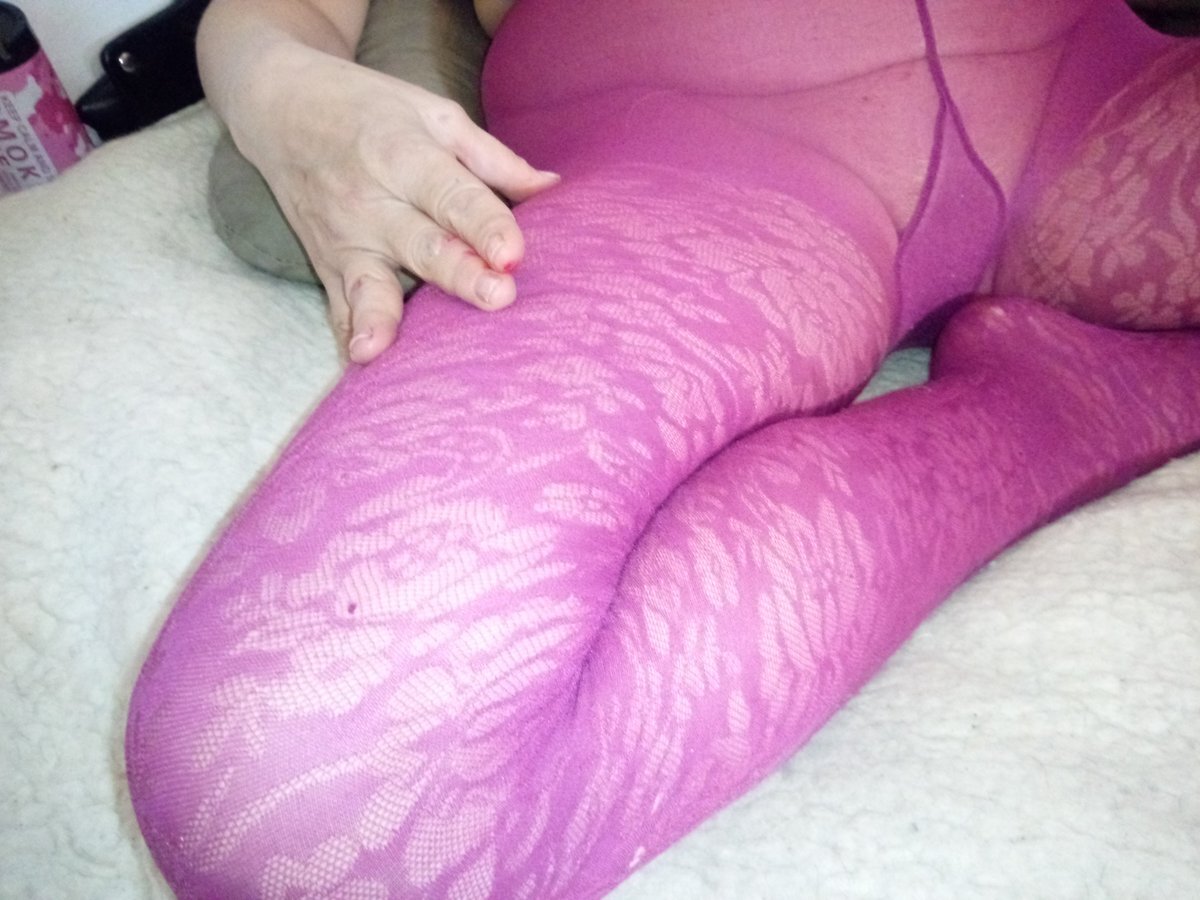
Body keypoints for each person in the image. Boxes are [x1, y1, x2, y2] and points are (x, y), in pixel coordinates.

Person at [127, 1, 1200, 897]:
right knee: (293, 781)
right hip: (708, 151)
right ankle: (1056, 416)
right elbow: (266, 15)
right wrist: (283, 94)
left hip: (1098, 94)